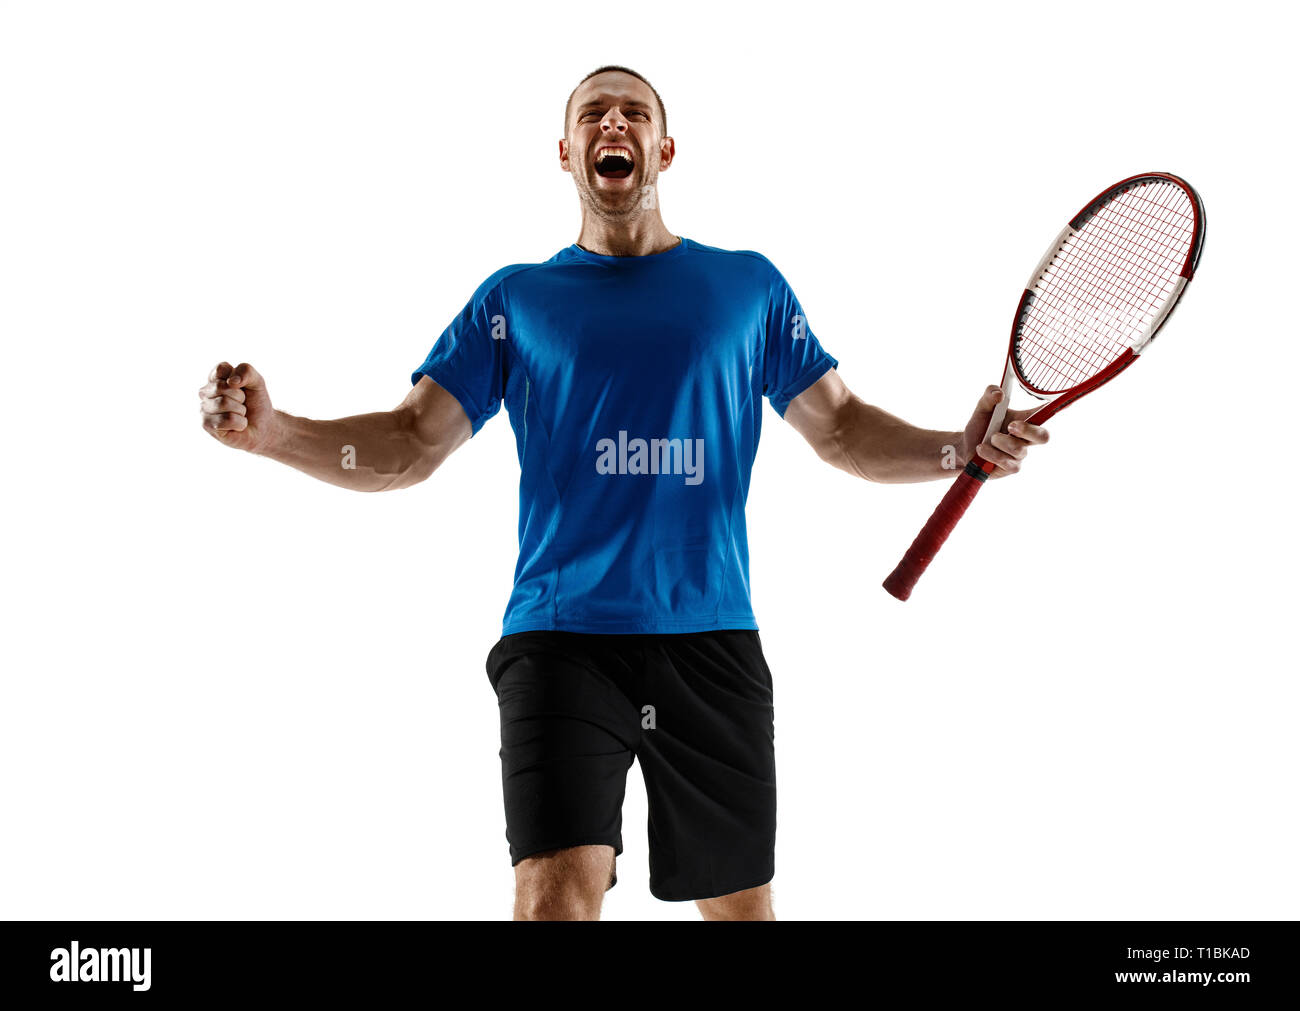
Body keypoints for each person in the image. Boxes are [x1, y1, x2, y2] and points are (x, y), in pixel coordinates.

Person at [198, 65, 1049, 921]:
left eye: (634, 112)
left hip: (711, 639)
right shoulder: (516, 300)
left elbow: (842, 428)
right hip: (561, 641)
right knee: (552, 902)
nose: (615, 122)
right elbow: (411, 441)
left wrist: (957, 449)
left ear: (664, 149)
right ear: (564, 152)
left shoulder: (748, 288)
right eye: (593, 114)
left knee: (742, 911)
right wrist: (276, 433)